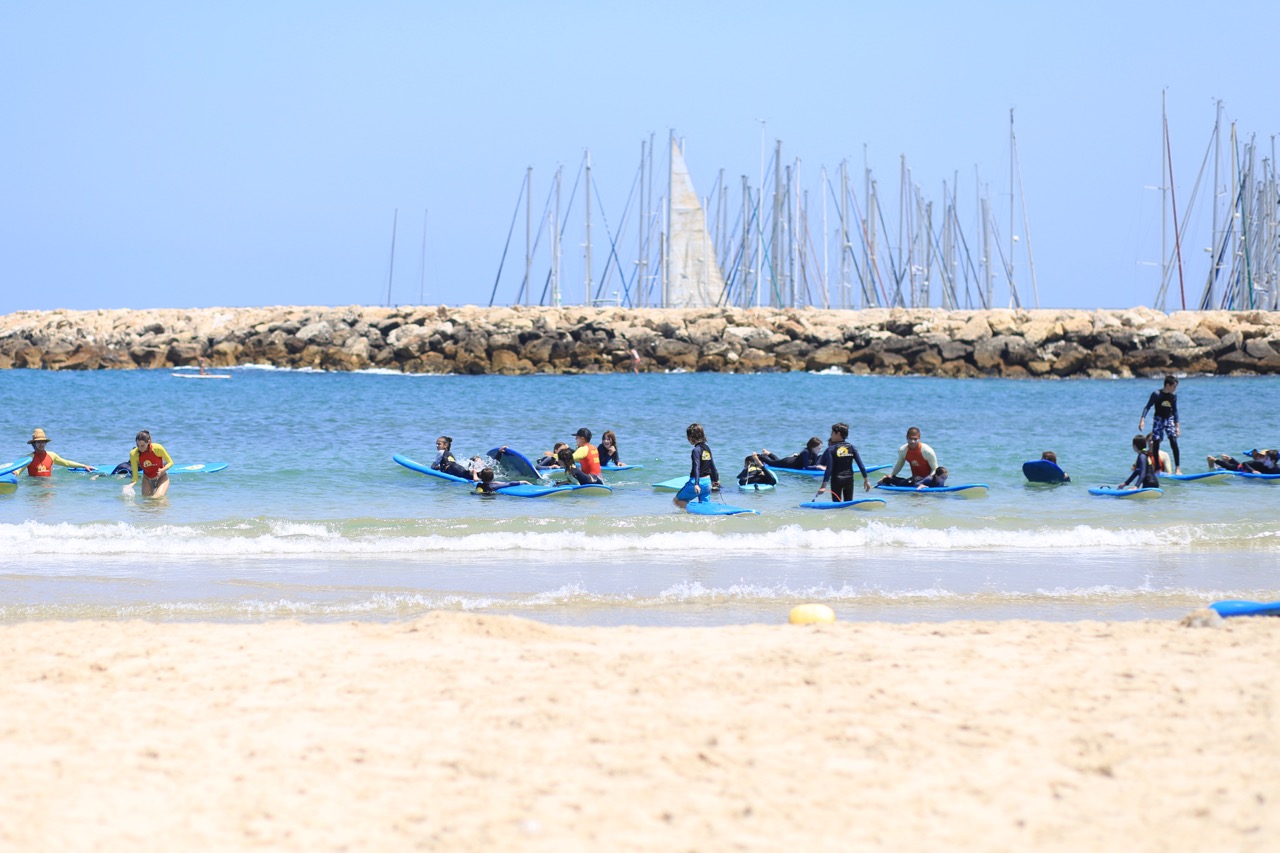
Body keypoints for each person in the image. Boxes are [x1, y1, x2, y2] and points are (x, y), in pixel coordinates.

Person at [1138, 375, 1181, 474]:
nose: (1175, 389)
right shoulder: (1156, 394)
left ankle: (1178, 468)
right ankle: (1157, 468)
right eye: (1174, 386)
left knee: (1173, 441)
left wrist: (1177, 426)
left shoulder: (1173, 396)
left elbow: (1175, 411)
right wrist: (1142, 420)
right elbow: (1147, 407)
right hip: (1158, 419)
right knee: (1156, 442)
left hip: (1169, 419)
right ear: (1167, 385)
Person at [816, 423, 870, 501]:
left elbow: (829, 469)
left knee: (837, 505)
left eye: (832, 433)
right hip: (849, 479)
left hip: (836, 480)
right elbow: (861, 465)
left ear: (838, 434)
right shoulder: (852, 447)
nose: (831, 435)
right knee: (848, 504)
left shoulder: (831, 449)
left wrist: (823, 486)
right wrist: (866, 480)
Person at [673, 423, 720, 509]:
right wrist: (715, 479)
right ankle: (700, 514)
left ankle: (692, 510)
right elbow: (712, 465)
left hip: (697, 482)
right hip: (707, 483)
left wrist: (696, 484)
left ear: (691, 437)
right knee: (704, 505)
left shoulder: (696, 450)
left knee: (676, 500)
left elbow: (696, 467)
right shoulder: (707, 448)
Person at [18, 428, 95, 476]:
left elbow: (66, 463)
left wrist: (84, 466)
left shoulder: (51, 455)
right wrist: (15, 473)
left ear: (45, 443)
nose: (41, 444)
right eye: (38, 442)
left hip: (48, 485)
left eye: (43, 442)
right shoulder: (29, 458)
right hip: (34, 486)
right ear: (34, 444)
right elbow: (19, 470)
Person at [128, 430, 173, 497]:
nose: (140, 448)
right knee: (146, 501)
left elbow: (170, 462)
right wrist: (129, 486)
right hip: (147, 479)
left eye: (142, 445)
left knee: (156, 498)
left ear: (148, 442)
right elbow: (135, 477)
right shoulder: (133, 454)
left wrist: (162, 470)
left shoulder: (158, 448)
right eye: (138, 445)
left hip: (161, 478)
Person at [758, 437, 825, 470]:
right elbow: (807, 467)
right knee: (771, 463)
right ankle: (757, 456)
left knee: (777, 461)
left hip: (791, 460)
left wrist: (818, 466)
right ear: (812, 447)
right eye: (819, 448)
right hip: (788, 463)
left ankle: (768, 453)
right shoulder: (806, 452)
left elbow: (813, 465)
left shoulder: (813, 453)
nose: (820, 450)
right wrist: (818, 467)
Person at [1208, 449, 1279, 473]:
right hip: (1242, 468)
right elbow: (1244, 463)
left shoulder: (1277, 468)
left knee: (1237, 465)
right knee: (1231, 467)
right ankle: (1212, 459)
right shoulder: (1260, 463)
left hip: (1247, 467)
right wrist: (1253, 471)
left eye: (1266, 458)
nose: (1263, 459)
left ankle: (1228, 459)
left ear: (1273, 461)